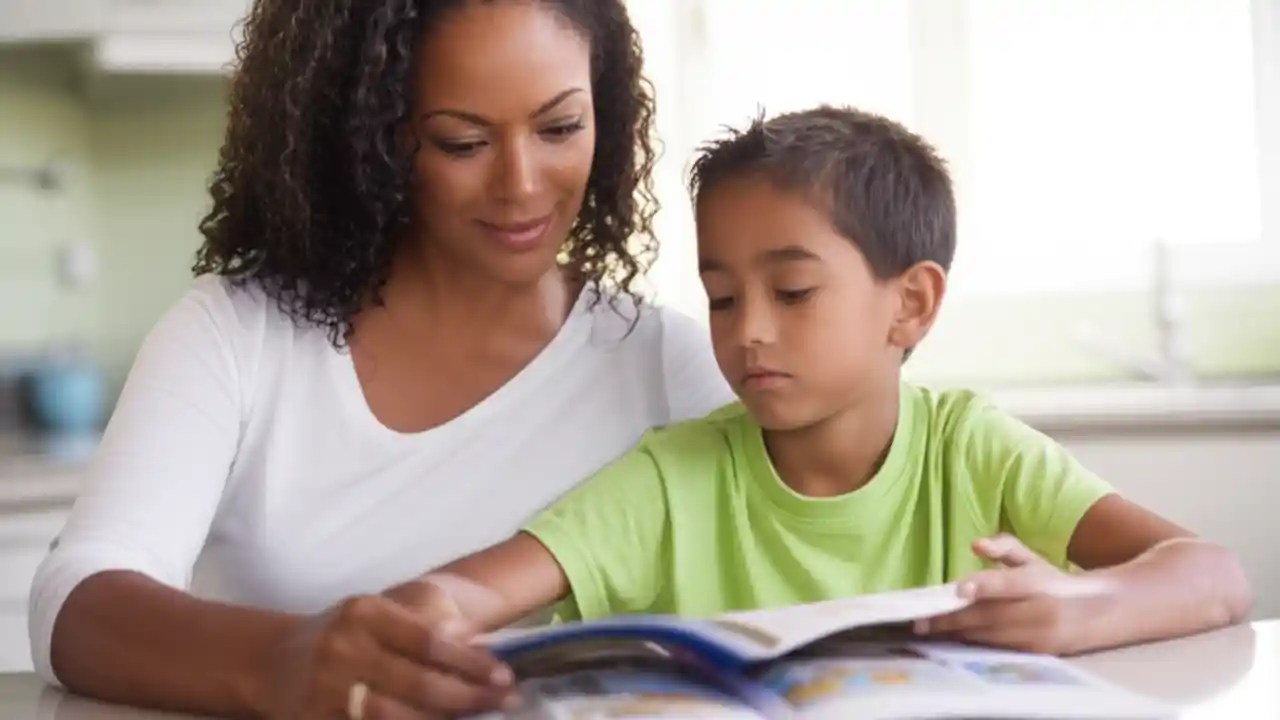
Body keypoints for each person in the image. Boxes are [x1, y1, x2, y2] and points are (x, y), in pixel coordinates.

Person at [27, 1, 733, 718]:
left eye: (559, 128)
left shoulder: (674, 369)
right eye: (462, 142)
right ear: (368, 138)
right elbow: (75, 602)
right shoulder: (237, 336)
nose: (521, 185)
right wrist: (284, 662)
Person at [428, 106, 1253, 662]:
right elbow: (462, 595)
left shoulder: (969, 448)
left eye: (792, 293)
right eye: (721, 297)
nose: (746, 328)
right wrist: (402, 627)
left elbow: (1214, 576)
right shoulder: (670, 480)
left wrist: (1081, 608)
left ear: (912, 304)